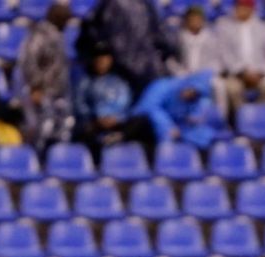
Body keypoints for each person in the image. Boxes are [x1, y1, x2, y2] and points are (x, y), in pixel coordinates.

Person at [74, 0, 179, 92]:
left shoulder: (106, 4)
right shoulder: (147, 4)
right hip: (145, 72)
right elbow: (165, 41)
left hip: (118, 73)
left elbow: (87, 37)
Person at [14, 2, 75, 152]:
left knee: (61, 129)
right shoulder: (40, 34)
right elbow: (29, 61)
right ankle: (35, 163)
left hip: (56, 92)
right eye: (64, 17)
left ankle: (56, 163)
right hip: (40, 92)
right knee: (40, 130)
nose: (67, 22)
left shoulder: (58, 35)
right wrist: (35, 87)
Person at [73, 45, 150, 157]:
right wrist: (97, 119)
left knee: (140, 121)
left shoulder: (121, 81)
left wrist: (119, 118)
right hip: (97, 123)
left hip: (118, 123)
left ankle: (118, 137)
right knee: (83, 130)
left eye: (105, 59)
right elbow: (80, 105)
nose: (102, 62)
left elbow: (129, 105)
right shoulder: (86, 82)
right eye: (98, 59)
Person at [216, 0, 265, 110]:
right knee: (231, 89)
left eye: (243, 7)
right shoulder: (225, 27)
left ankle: (258, 115)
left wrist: (262, 72)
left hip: (260, 73)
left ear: (251, 9)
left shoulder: (263, 28)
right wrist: (241, 71)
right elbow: (224, 54)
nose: (239, 10)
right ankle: (240, 119)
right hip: (236, 74)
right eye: (238, 7)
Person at [132, 72, 224, 150]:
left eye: (196, 95)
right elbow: (149, 108)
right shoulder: (162, 86)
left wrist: (192, 119)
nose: (191, 96)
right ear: (187, 84)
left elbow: (189, 115)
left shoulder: (193, 100)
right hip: (144, 124)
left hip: (174, 126)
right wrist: (167, 127)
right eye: (192, 91)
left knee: (203, 135)